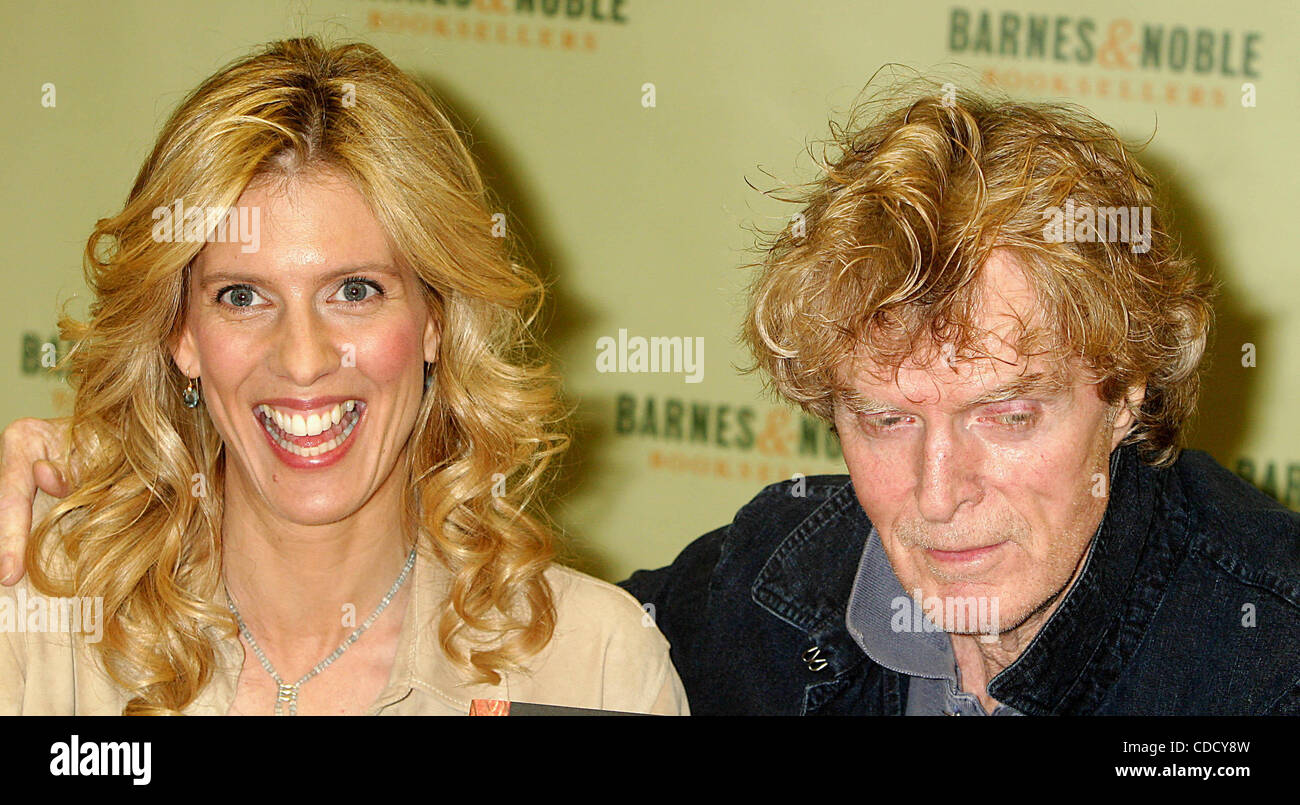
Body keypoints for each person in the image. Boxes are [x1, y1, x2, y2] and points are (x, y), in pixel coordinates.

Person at [0, 37, 686, 715]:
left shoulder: (591, 667)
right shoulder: (39, 624)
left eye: (355, 291)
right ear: (182, 336)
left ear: (435, 318)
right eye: (242, 296)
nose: (303, 359)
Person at [615, 89, 1300, 714]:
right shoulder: (767, 581)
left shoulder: (1274, 657)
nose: (939, 496)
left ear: (1126, 394)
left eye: (1009, 417)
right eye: (887, 420)